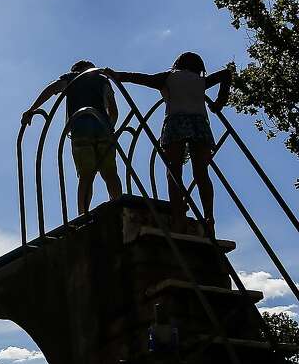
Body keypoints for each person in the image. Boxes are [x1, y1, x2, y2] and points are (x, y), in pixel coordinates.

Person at [103, 54, 231, 234]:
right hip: (199, 124)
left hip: (176, 122)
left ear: (177, 64)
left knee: (174, 171)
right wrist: (220, 101)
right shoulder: (200, 81)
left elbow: (141, 78)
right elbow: (226, 74)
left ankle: (178, 217)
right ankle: (209, 217)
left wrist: (118, 75)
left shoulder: (169, 76)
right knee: (202, 172)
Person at [24, 60, 123, 215]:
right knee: (110, 172)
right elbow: (114, 110)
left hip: (81, 129)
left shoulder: (72, 78)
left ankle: (83, 213)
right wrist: (109, 127)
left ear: (76, 69)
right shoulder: (103, 79)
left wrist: (32, 109)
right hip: (103, 128)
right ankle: (119, 205)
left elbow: (51, 89)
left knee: (86, 175)